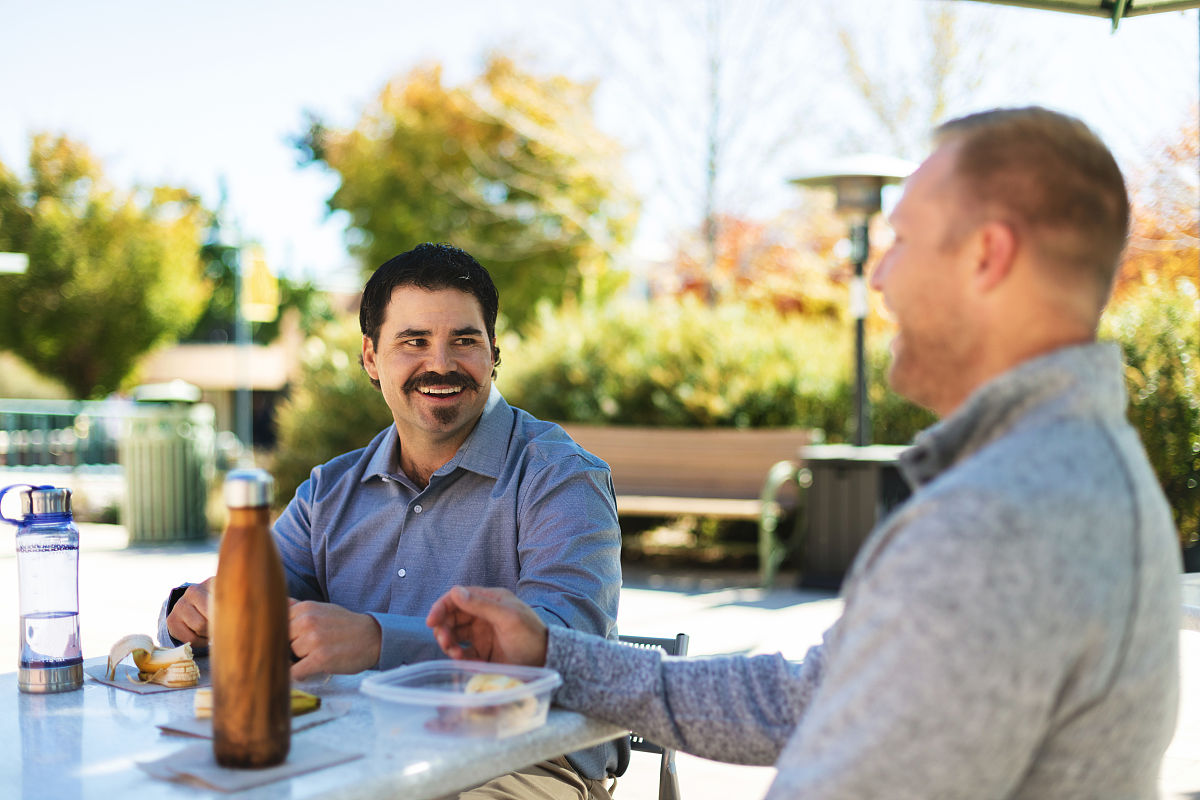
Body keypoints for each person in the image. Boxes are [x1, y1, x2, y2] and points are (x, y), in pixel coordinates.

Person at [426, 107, 1183, 799]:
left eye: (904, 242)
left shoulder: (1002, 519)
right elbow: (810, 696)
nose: (879, 277)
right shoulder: (1080, 467)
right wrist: (555, 652)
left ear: (987, 255)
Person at [160, 243, 627, 799]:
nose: (441, 363)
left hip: (525, 761)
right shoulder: (328, 492)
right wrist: (198, 616)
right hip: (354, 750)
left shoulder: (560, 477)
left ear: (494, 353)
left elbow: (567, 648)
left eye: (465, 340)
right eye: (413, 341)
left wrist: (378, 640)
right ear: (371, 358)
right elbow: (253, 610)